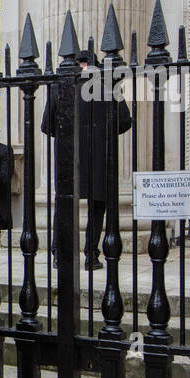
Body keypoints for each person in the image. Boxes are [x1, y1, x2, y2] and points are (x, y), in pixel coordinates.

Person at [40, 78, 132, 269]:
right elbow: (124, 121)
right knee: (97, 206)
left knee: (64, 204)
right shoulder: (108, 85)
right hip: (99, 155)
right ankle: (91, 255)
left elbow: (46, 125)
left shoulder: (59, 85)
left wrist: (68, 134)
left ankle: (60, 254)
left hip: (69, 155)